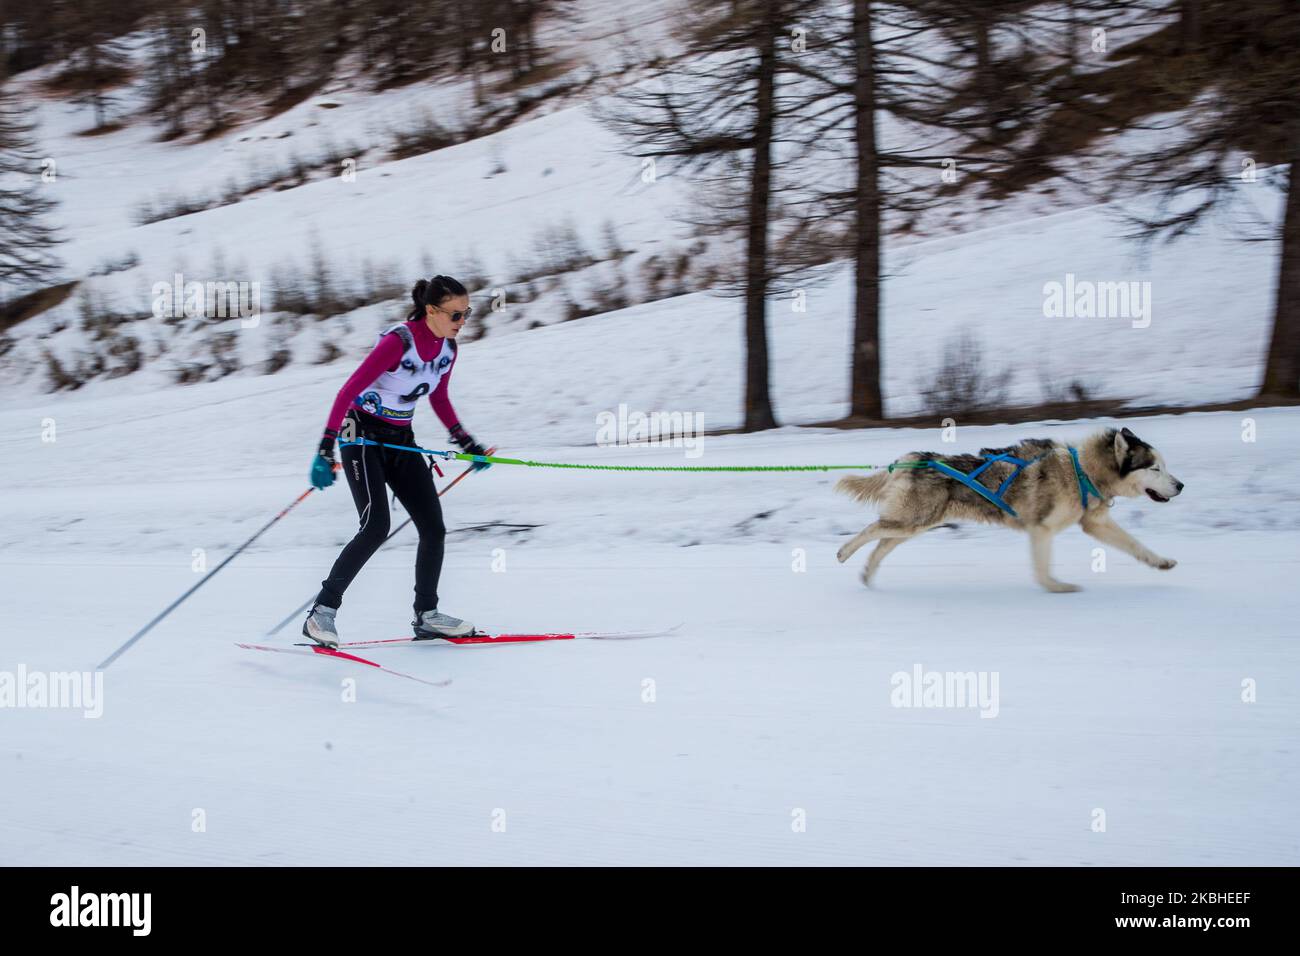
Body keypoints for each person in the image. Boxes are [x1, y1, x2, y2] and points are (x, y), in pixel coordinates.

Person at [303, 275, 491, 647]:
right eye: (456, 314)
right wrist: (326, 446)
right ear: (432, 310)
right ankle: (321, 612)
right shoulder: (398, 342)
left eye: (467, 313)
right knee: (376, 526)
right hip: (361, 436)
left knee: (433, 528)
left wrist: (467, 441)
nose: (463, 321)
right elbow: (349, 389)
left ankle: (427, 615)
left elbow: (438, 398)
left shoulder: (448, 350)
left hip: (401, 440)